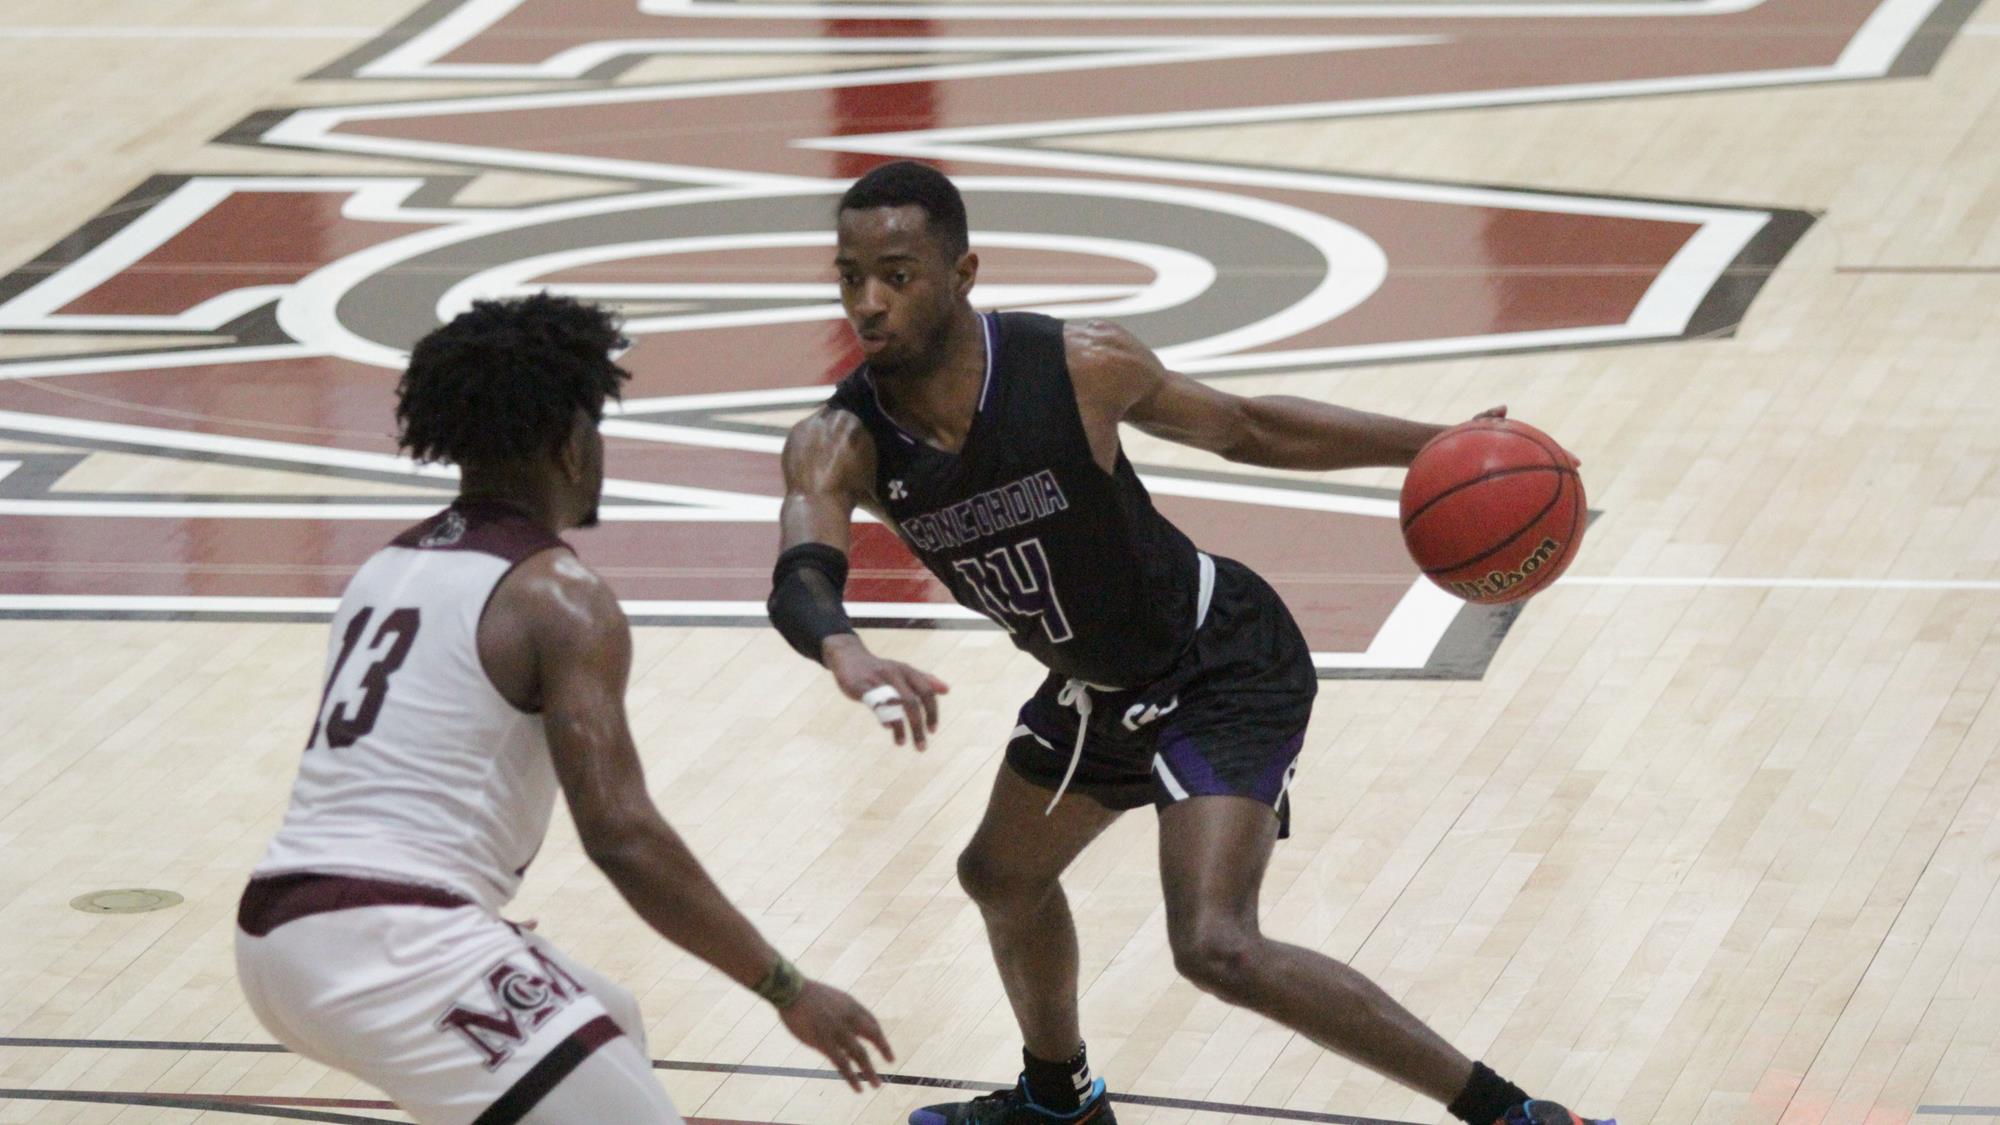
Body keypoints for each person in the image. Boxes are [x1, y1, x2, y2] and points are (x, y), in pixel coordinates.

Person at [768, 162, 1612, 1125]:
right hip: (1095, 688)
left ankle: (1517, 1114)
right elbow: (802, 576)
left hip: (1219, 659)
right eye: (848, 277)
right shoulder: (840, 441)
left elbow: (1247, 428)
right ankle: (1060, 1100)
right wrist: (847, 651)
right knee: (999, 875)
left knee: (1216, 945)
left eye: (896, 275)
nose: (868, 303)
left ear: (962, 273)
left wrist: (1434, 441)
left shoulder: (1076, 364)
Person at [237, 294, 892, 1124]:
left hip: (277, 930)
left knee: (608, 1018)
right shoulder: (558, 595)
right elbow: (622, 835)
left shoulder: (386, 567)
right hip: (393, 942)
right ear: (571, 442)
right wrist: (786, 987)